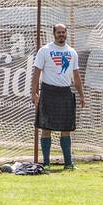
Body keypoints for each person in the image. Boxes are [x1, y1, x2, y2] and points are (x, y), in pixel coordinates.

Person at [30, 23, 86, 169]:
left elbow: (76, 75)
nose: (61, 34)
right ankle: (46, 163)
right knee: (46, 127)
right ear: (54, 33)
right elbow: (36, 73)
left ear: (66, 33)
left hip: (65, 93)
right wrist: (34, 93)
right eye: (59, 32)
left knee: (66, 128)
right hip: (48, 92)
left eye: (63, 32)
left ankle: (68, 164)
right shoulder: (45, 50)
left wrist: (81, 95)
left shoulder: (72, 52)